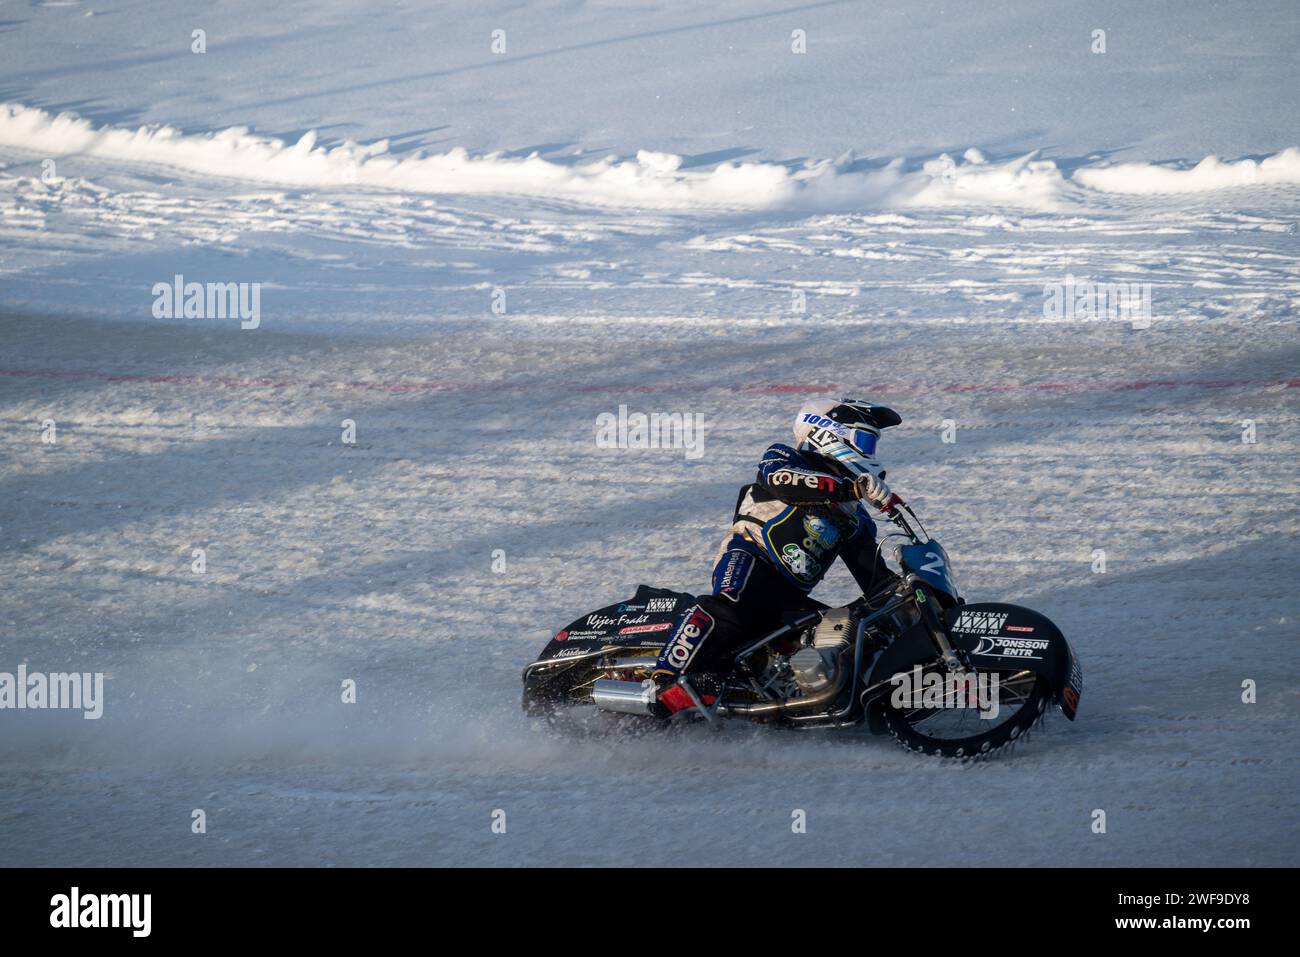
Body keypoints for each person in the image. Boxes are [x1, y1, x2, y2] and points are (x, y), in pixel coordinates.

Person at [651, 398, 902, 716]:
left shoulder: (855, 517)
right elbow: (783, 481)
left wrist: (922, 602)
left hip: (790, 597)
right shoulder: (785, 457)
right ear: (826, 433)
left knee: (846, 635)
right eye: (865, 441)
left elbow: (874, 579)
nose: (870, 454)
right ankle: (665, 681)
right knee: (732, 604)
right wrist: (850, 488)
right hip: (750, 559)